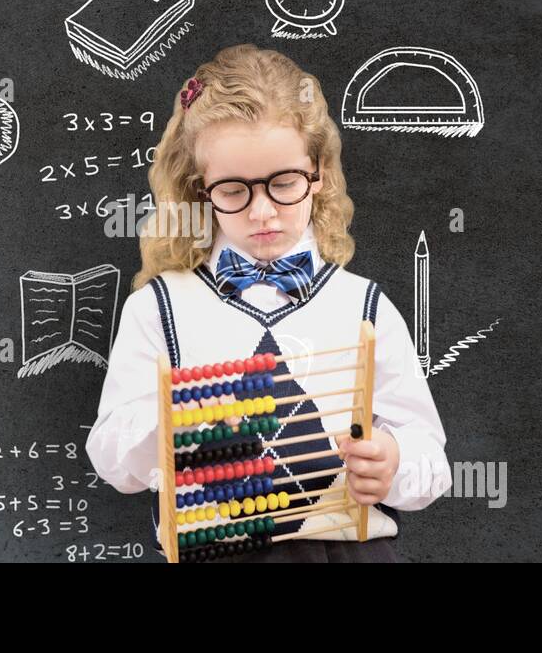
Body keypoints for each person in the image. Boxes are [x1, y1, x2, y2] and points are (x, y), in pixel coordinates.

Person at [86, 44, 450, 562]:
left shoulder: (364, 304)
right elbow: (111, 460)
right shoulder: (159, 308)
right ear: (200, 189)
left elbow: (430, 459)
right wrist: (176, 425)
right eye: (233, 191)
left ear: (318, 172)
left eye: (283, 183)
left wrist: (393, 464)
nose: (262, 212)